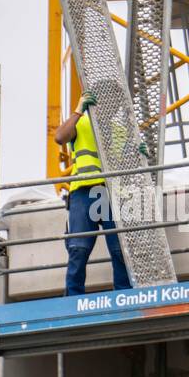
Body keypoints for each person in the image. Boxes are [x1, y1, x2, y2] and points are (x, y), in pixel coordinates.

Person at [53, 91, 132, 296]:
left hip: (109, 193)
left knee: (118, 248)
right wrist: (78, 111)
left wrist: (138, 153)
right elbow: (60, 137)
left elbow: (126, 166)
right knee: (78, 248)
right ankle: (73, 296)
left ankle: (123, 293)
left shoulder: (120, 131)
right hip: (83, 192)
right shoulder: (81, 123)